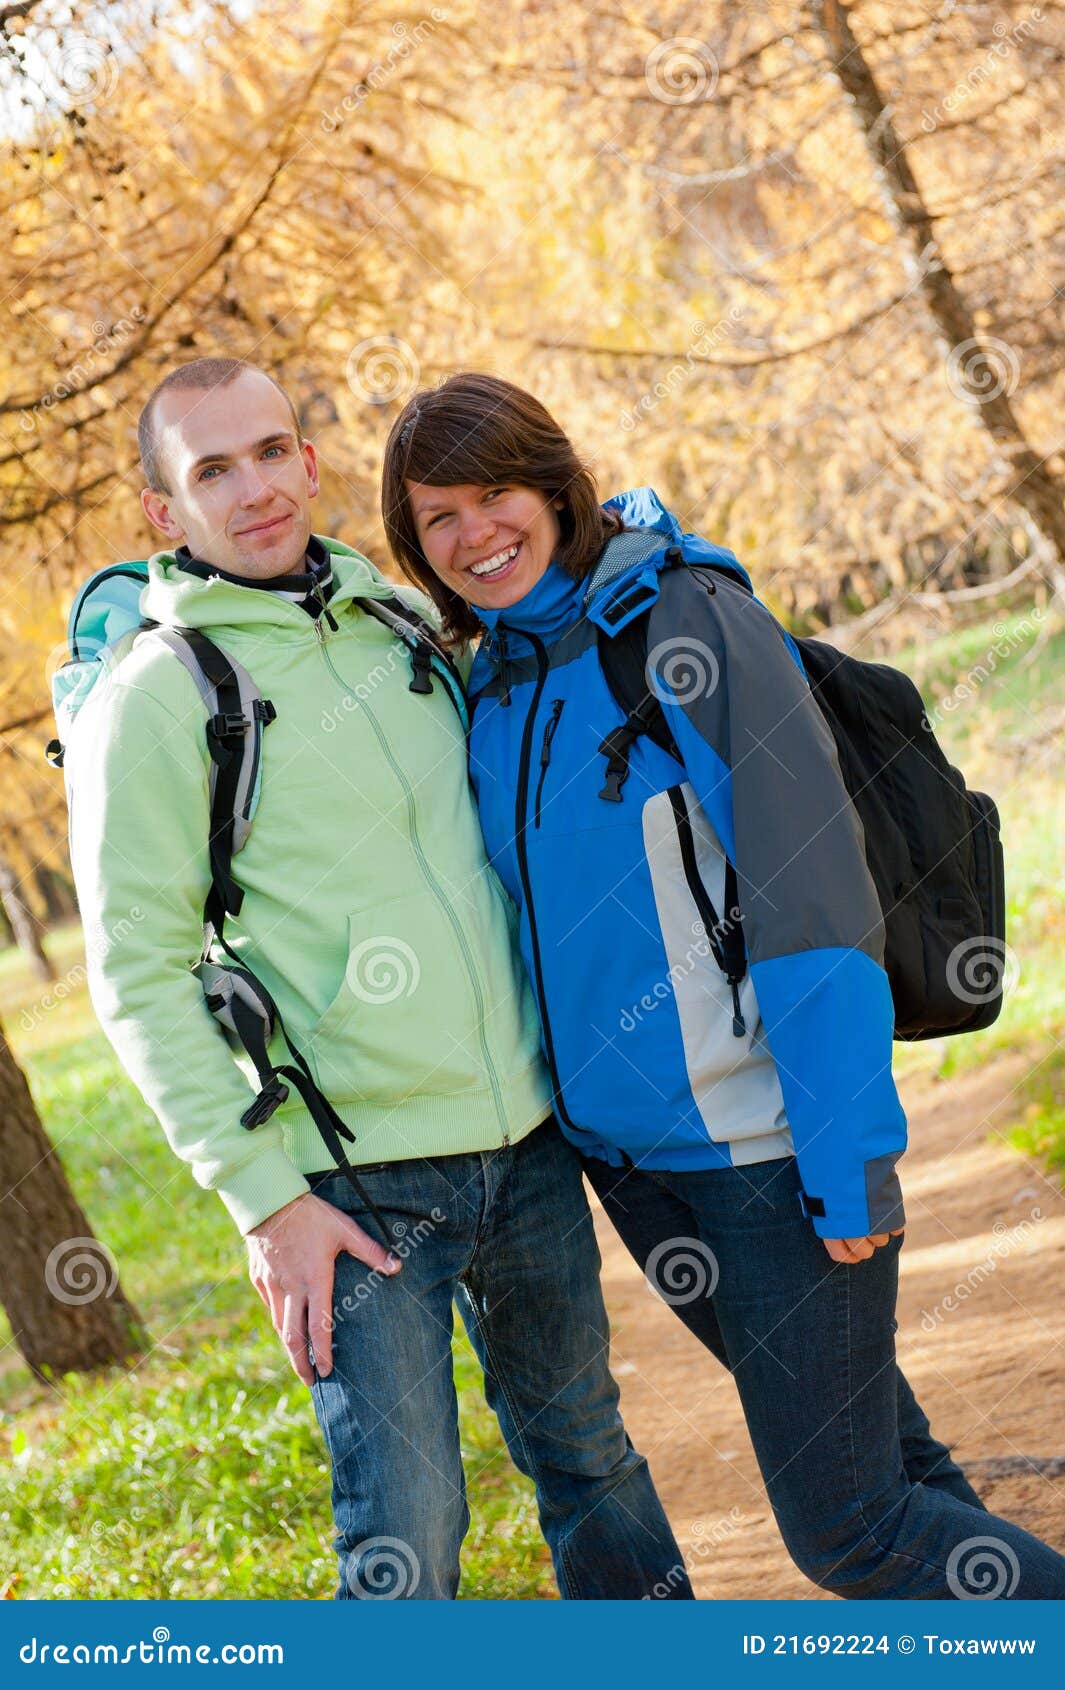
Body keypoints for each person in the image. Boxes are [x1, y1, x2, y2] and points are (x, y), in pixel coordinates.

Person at [380, 369, 1065, 1600]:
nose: (475, 534)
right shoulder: (490, 687)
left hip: (762, 1150)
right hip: (637, 1174)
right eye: (439, 517)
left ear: (553, 483)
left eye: (496, 495)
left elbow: (814, 893)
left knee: (851, 1528)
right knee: (894, 1471)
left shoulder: (681, 622)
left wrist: (846, 1144)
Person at [67, 356, 690, 1601]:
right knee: (410, 1538)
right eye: (210, 471)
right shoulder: (159, 698)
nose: (252, 489)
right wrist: (263, 1198)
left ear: (309, 460)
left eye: (270, 451)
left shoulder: (398, 620)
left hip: (525, 1141)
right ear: (161, 512)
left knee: (592, 1462)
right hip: (350, 1186)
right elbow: (133, 972)